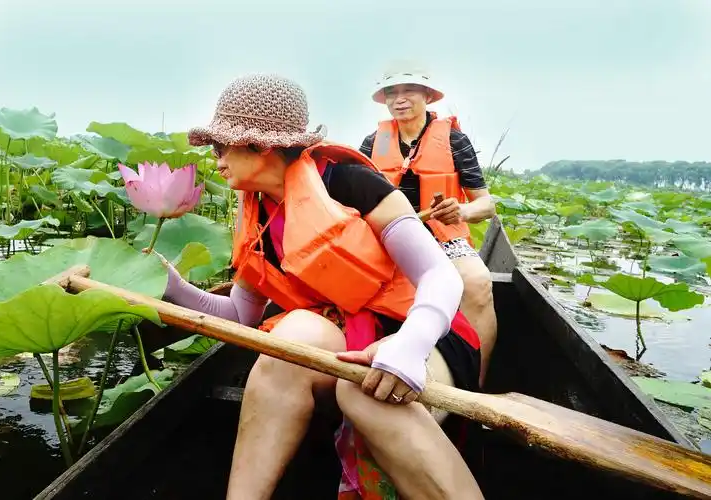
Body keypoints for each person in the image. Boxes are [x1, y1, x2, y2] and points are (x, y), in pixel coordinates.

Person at [157, 73, 484, 499]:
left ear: (263, 145)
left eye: (222, 145)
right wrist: (171, 285)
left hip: (423, 336)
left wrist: (410, 343)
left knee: (364, 390)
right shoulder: (256, 212)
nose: (215, 156)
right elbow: (239, 316)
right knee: (282, 353)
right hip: (345, 339)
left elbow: (439, 275)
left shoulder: (349, 182)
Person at [359, 63, 497, 386]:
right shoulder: (372, 143)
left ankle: (476, 385)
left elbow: (486, 205)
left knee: (478, 282)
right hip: (389, 239)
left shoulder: (454, 139)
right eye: (392, 93)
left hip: (443, 238)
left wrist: (460, 212)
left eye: (409, 91)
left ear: (427, 96)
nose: (400, 99)